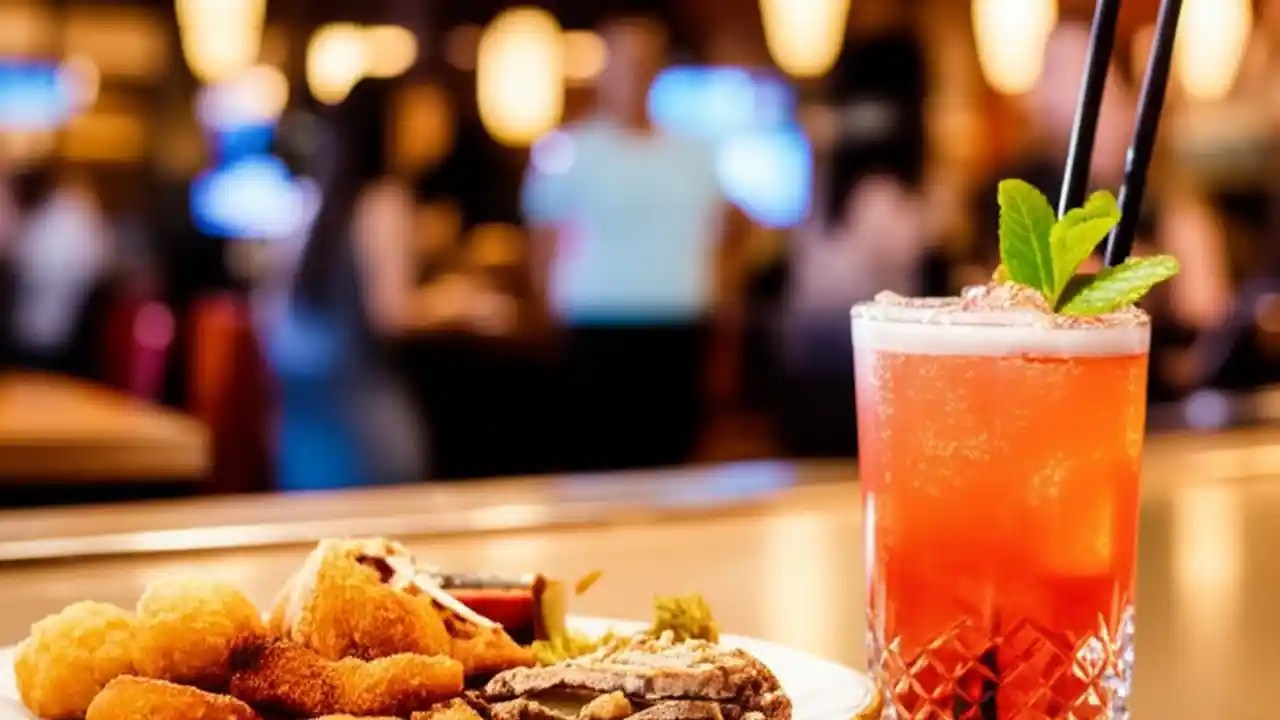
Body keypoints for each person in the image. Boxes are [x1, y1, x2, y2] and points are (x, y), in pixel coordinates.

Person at [521, 10, 740, 470]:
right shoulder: (568, 150)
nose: (633, 75)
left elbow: (725, 238)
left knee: (672, 466)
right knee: (596, 466)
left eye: (644, 62)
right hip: (596, 330)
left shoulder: (696, 153)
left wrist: (723, 314)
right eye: (622, 62)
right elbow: (542, 242)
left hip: (678, 327)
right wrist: (546, 315)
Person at [254, 89, 426, 491]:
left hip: (302, 402)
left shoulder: (311, 199)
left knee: (317, 536)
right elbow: (392, 313)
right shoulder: (384, 200)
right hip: (360, 407)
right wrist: (458, 305)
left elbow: (267, 306)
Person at [4, 162, 111, 377]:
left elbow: (34, 266)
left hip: (63, 329)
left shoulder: (70, 214)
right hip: (25, 330)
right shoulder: (36, 211)